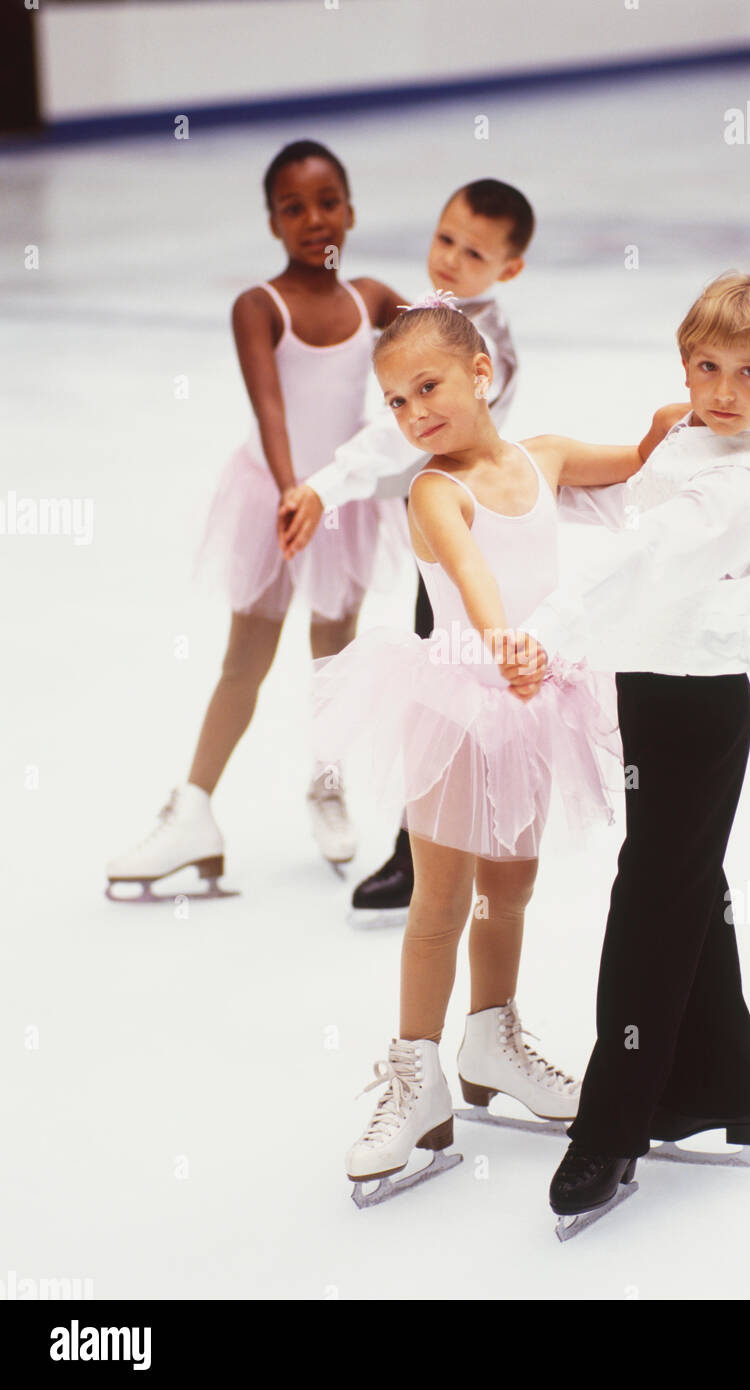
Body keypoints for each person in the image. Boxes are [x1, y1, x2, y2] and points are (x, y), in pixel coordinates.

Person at [308, 295, 686, 1188]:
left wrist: (668, 427)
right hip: (460, 699)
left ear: (483, 374)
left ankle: (494, 1036)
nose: (413, 414)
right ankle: (416, 1076)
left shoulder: (540, 457)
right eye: (396, 402)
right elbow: (473, 572)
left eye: (427, 386)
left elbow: (634, 462)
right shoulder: (434, 488)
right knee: (440, 901)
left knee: (510, 889)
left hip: (531, 704)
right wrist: (505, 640)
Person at [512, 271, 750, 1220]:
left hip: (696, 704)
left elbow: (643, 551)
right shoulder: (691, 441)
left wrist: (551, 624)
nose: (724, 389)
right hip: (650, 689)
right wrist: (532, 493)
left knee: (651, 902)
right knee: (689, 888)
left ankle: (615, 1122)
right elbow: (630, 516)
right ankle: (722, 1088)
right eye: (707, 366)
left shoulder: (733, 480)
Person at [105, 140, 404, 899]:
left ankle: (326, 783)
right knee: (247, 658)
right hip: (277, 500)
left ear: (353, 210)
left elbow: (442, 343)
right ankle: (194, 810)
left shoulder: (371, 299)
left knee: (334, 654)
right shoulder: (259, 306)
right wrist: (289, 492)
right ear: (272, 222)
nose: (314, 219)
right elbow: (270, 407)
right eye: (293, 207)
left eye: (328, 201)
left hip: (339, 499)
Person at [277, 178, 535, 924]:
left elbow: (402, 432)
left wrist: (328, 481)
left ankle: (425, 858)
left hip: (467, 538)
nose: (450, 258)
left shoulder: (478, 347)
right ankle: (432, 849)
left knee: (446, 695)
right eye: (446, 238)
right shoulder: (436, 318)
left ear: (508, 269)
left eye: (475, 251)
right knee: (444, 693)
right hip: (445, 530)